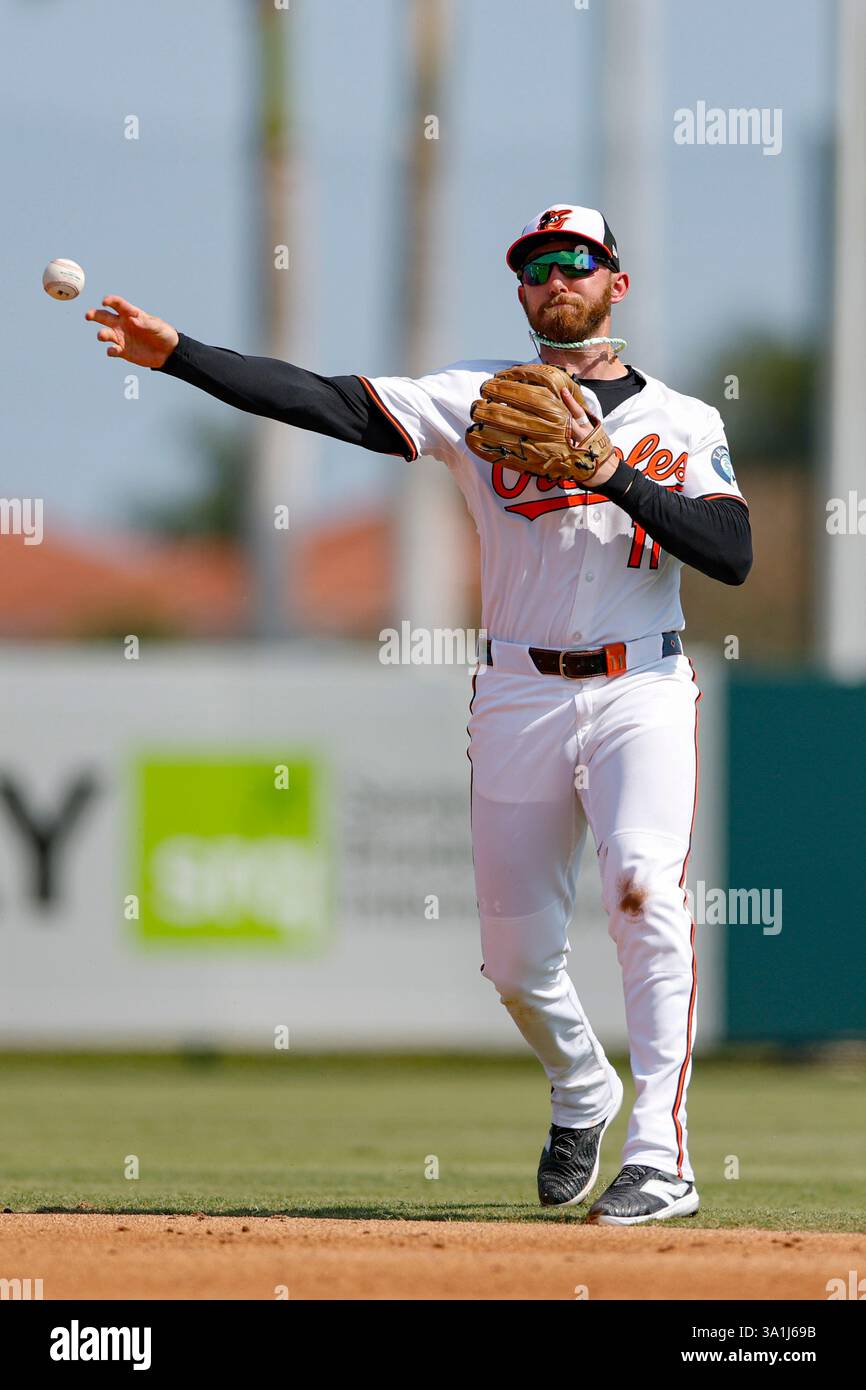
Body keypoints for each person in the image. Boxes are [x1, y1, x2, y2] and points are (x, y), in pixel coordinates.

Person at [86, 203, 751, 1225]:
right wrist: (177, 354)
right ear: (521, 290)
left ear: (616, 282)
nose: (553, 279)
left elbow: (730, 555)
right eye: (534, 267)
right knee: (514, 962)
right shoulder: (474, 400)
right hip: (519, 690)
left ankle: (660, 1153)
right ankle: (581, 1086)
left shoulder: (682, 421)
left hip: (640, 689)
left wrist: (610, 472)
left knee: (640, 891)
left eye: (574, 262)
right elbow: (333, 404)